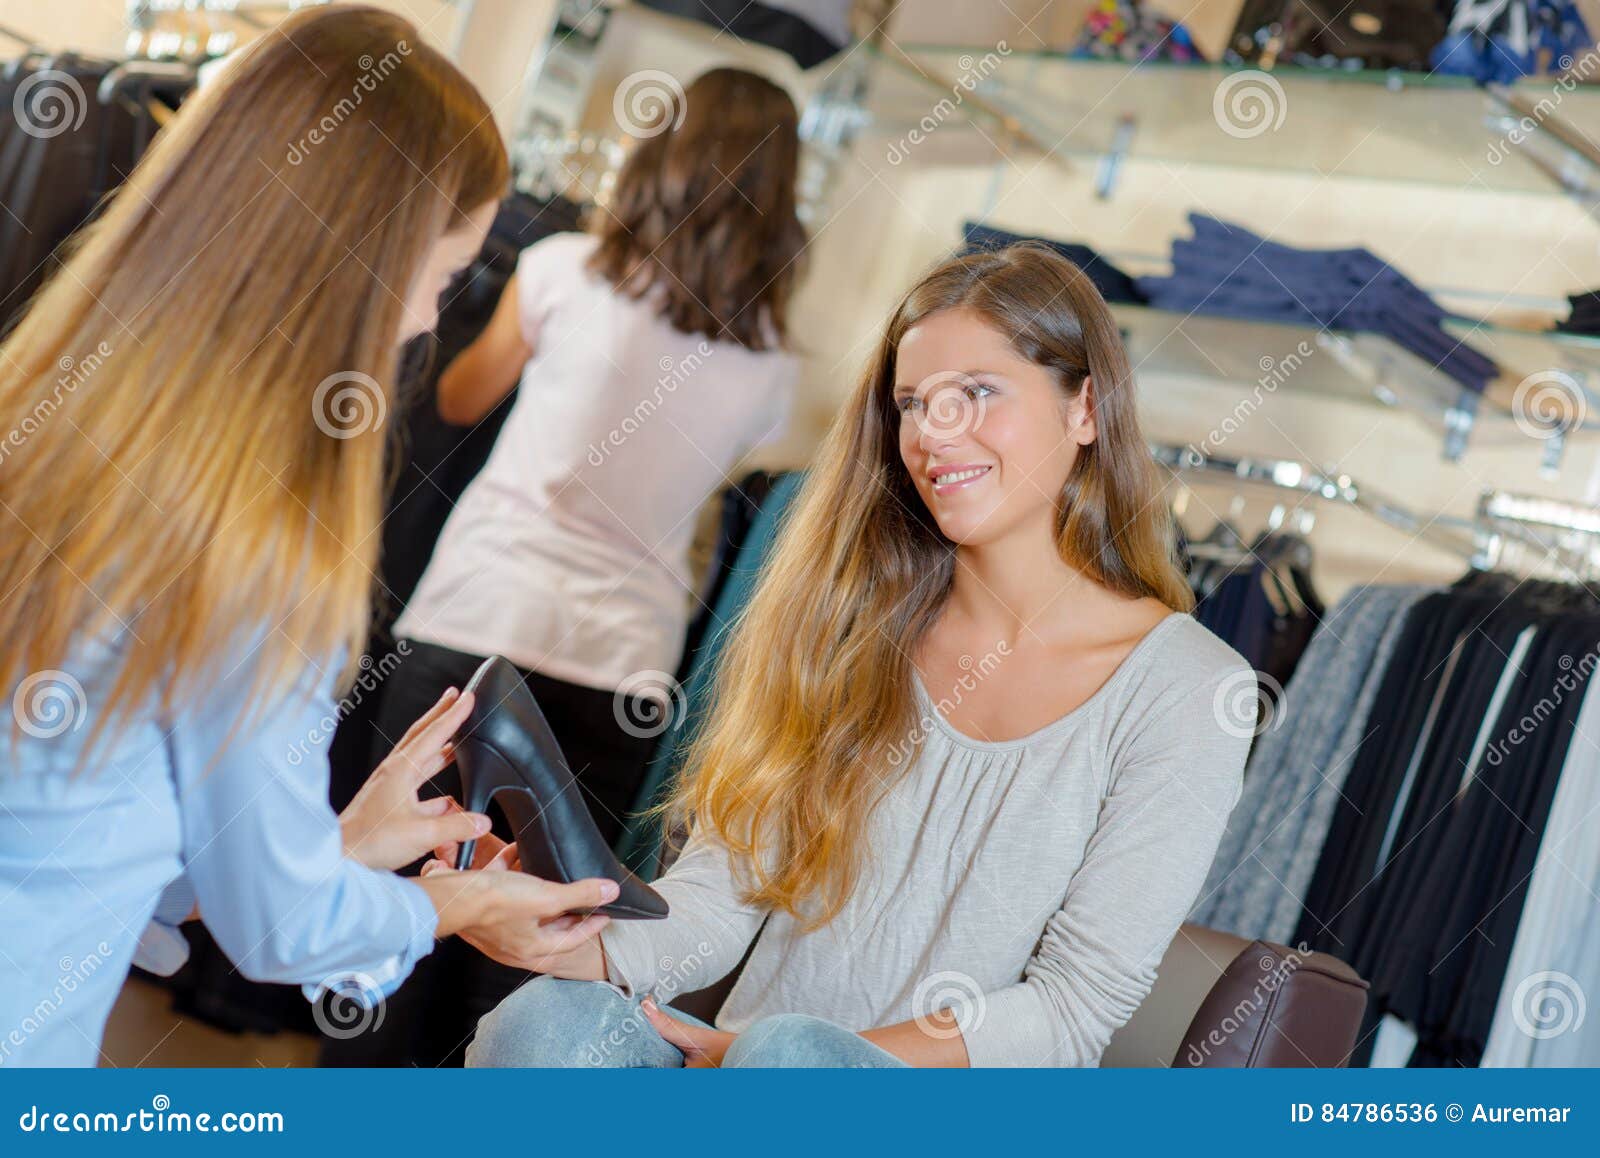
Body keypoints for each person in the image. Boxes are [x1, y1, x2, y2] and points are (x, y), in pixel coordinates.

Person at [453, 242, 1256, 1068]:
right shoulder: (851, 626)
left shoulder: (1188, 689)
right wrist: (566, 937)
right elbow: (723, 897)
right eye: (913, 403)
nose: (936, 433)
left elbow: (1071, 1009)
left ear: (1085, 408)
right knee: (545, 1025)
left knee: (791, 1059)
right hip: (746, 1075)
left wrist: (779, 1057)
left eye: (980, 391)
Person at [0, 6, 617, 1068]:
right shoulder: (251, 543)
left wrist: (325, 849)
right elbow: (280, 928)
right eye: (437, 280)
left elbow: (77, 830)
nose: (426, 324)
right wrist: (456, 904)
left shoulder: (43, 427)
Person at [344, 67, 805, 1066]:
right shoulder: (774, 367)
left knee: (393, 916)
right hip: (620, 669)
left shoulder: (560, 269)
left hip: (479, 619)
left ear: (658, 157)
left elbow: (460, 398)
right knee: (537, 944)